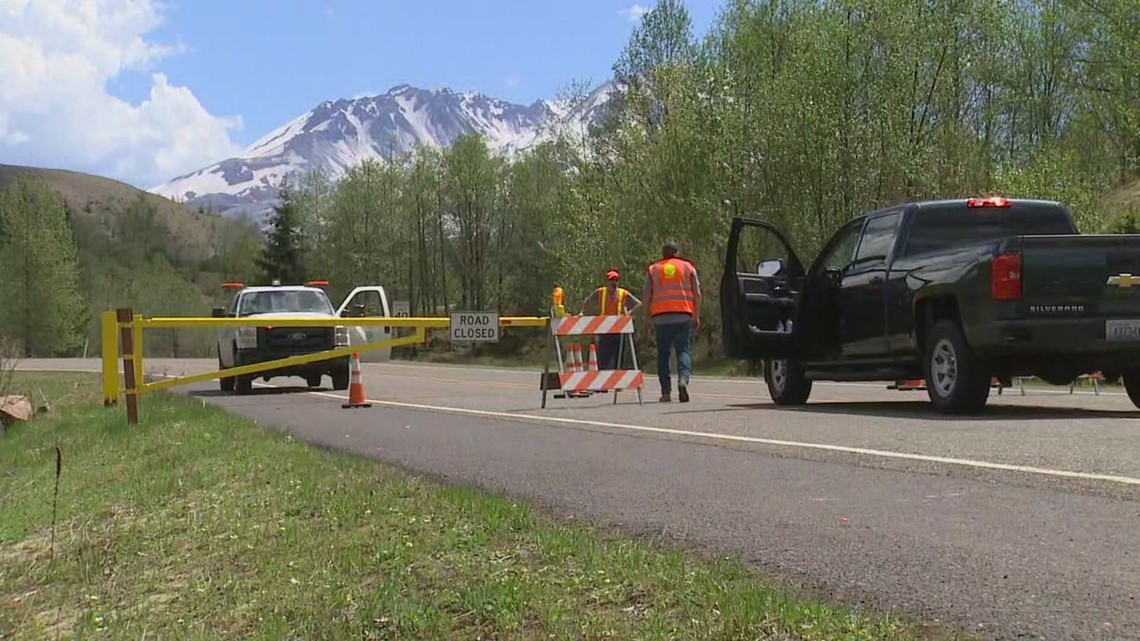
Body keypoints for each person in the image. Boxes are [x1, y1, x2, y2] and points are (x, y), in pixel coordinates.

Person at [642, 241, 700, 403]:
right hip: (683, 314)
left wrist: (646, 319)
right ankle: (683, 380)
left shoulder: (653, 269)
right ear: (677, 252)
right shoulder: (688, 267)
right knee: (683, 351)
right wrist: (696, 315)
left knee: (663, 354)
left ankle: (666, 392)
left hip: (661, 317)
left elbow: (646, 295)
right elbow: (697, 293)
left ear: (663, 253)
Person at [580, 270, 641, 370]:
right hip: (604, 331)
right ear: (607, 282)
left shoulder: (623, 293)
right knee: (603, 359)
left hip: (619, 331)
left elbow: (639, 304)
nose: (614, 282)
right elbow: (588, 300)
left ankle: (618, 382)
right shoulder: (600, 292)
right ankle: (603, 380)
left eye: (616, 280)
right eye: (611, 280)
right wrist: (582, 312)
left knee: (618, 359)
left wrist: (629, 313)